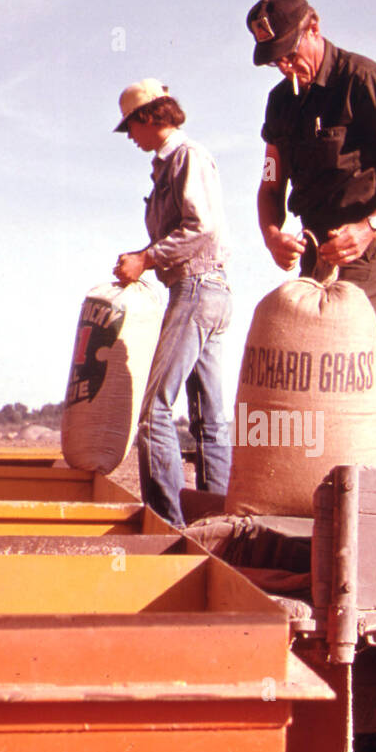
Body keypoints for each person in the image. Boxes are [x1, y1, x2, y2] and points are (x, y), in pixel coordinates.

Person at [248, 0, 376, 336]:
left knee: (342, 356)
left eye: (290, 55)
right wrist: (272, 235)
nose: (284, 67)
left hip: (368, 247)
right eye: (275, 60)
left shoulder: (363, 81)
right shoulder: (279, 103)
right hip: (314, 248)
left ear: (314, 28)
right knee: (303, 357)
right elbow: (270, 181)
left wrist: (370, 228)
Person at [112, 79, 233, 528]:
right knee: (210, 418)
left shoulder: (185, 156)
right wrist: (144, 256)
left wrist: (146, 258)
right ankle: (220, 524)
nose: (131, 139)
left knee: (153, 411)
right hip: (208, 291)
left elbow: (201, 228)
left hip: (197, 288)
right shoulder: (169, 165)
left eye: (131, 129)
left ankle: (166, 526)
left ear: (148, 117)